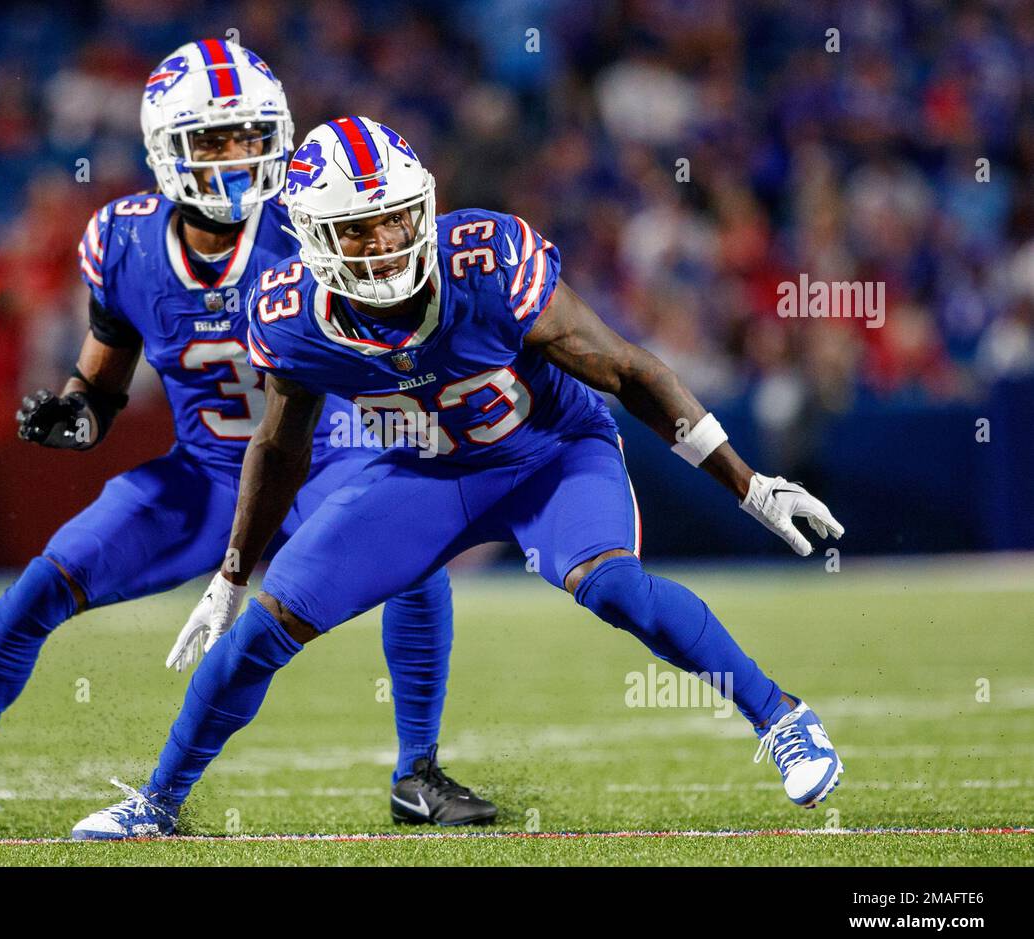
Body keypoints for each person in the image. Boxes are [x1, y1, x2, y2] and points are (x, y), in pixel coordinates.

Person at [73, 116, 846, 839]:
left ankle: (781, 717)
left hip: (549, 454)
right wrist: (232, 574)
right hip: (426, 473)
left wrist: (747, 483)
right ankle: (158, 803)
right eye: (359, 227)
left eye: (396, 216)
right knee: (259, 633)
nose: (384, 240)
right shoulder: (290, 315)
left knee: (610, 584)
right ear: (312, 238)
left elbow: (629, 372)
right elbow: (278, 448)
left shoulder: (487, 261)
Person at [0, 52, 494, 837]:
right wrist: (78, 413)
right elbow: (103, 374)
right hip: (208, 475)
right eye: (214, 140)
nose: (236, 156)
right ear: (166, 148)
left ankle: (416, 773)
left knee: (413, 560)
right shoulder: (123, 243)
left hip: (328, 458)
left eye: (250, 135)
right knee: (37, 590)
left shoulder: (312, 221)